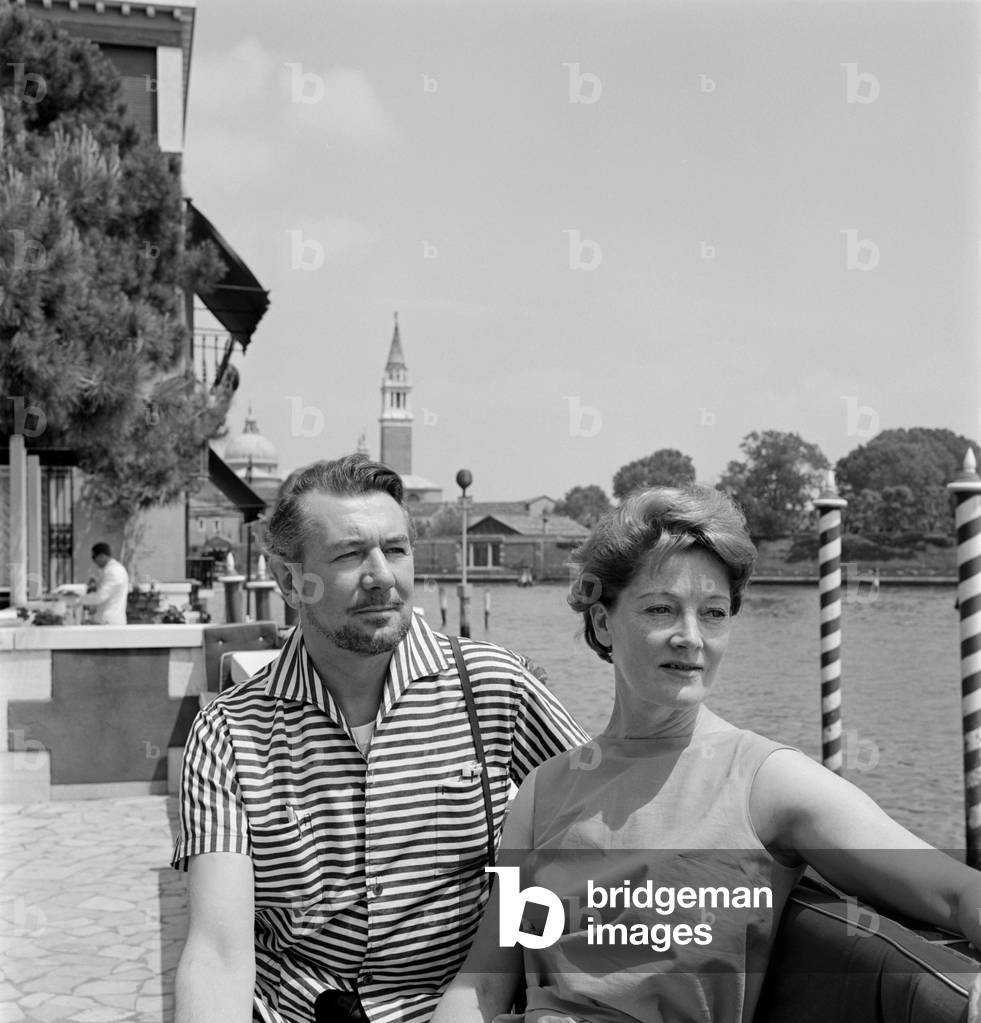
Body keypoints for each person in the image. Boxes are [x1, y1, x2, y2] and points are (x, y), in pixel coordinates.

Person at [433, 485, 981, 1023]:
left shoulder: (766, 782)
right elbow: (482, 987)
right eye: (661, 609)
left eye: (713, 613)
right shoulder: (543, 794)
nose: (690, 637)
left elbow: (954, 893)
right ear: (602, 621)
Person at [171, 454, 588, 1023]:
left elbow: (603, 823)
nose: (382, 576)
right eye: (349, 554)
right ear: (289, 579)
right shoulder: (229, 733)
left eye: (395, 550)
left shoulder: (494, 690)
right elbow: (219, 954)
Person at [80, 541, 129, 625]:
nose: (94, 562)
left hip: (109, 622)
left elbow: (100, 596)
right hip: (106, 620)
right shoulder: (110, 570)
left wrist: (78, 600)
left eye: (94, 558)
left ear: (102, 556)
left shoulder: (114, 571)